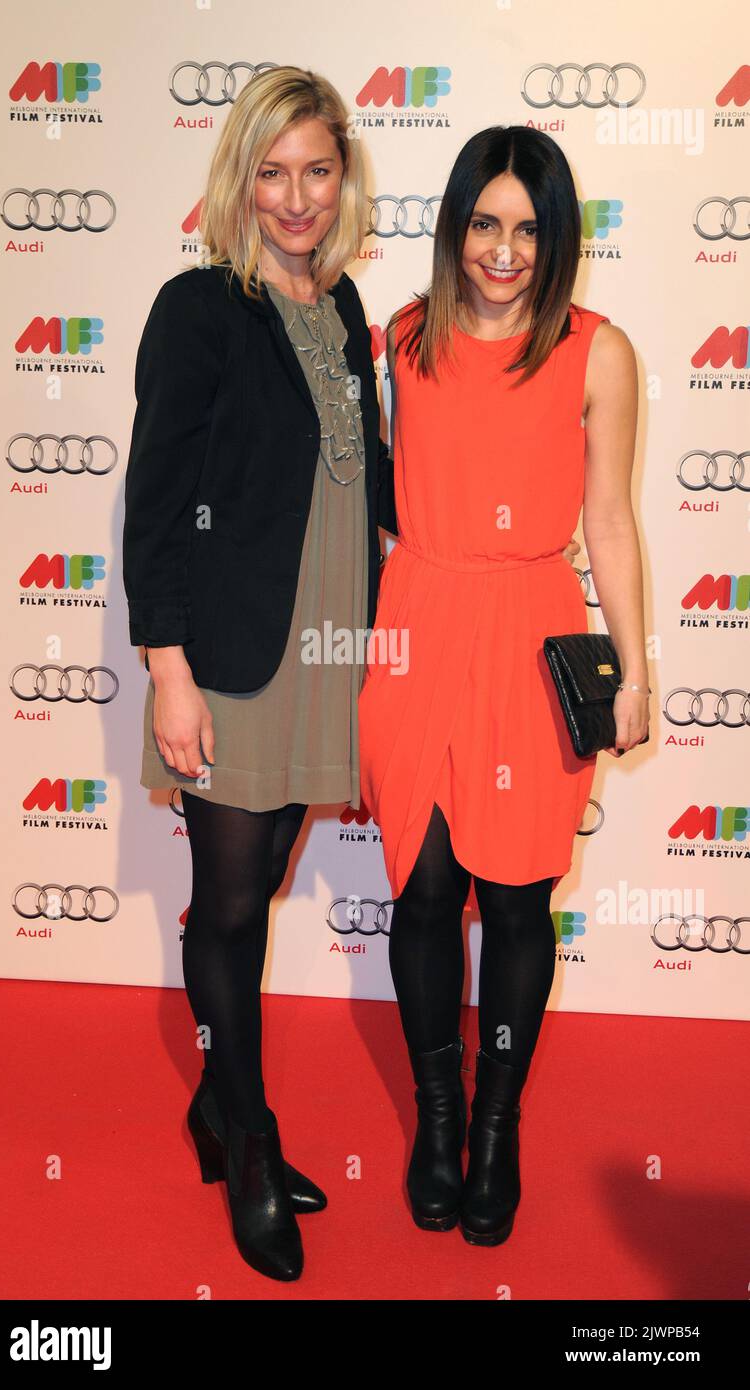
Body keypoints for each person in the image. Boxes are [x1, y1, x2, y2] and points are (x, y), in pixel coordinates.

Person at [121, 66, 399, 1283]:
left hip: (327, 646)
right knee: (229, 909)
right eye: (273, 173)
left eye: (317, 170)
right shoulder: (199, 308)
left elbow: (360, 471)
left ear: (344, 178)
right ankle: (248, 1140)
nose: (296, 197)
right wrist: (168, 668)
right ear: (240, 180)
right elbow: (153, 503)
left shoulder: (343, 305)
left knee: (264, 881)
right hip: (230, 661)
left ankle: (212, 1103)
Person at [357, 126, 649, 1246]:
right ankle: (436, 1118)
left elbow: (609, 521)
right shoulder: (403, 337)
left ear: (558, 237)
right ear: (455, 225)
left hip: (532, 631)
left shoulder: (596, 351)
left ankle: (496, 1125)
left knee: (519, 897)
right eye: (485, 222)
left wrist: (633, 670)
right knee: (426, 892)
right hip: (417, 623)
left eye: (529, 229)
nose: (505, 250)